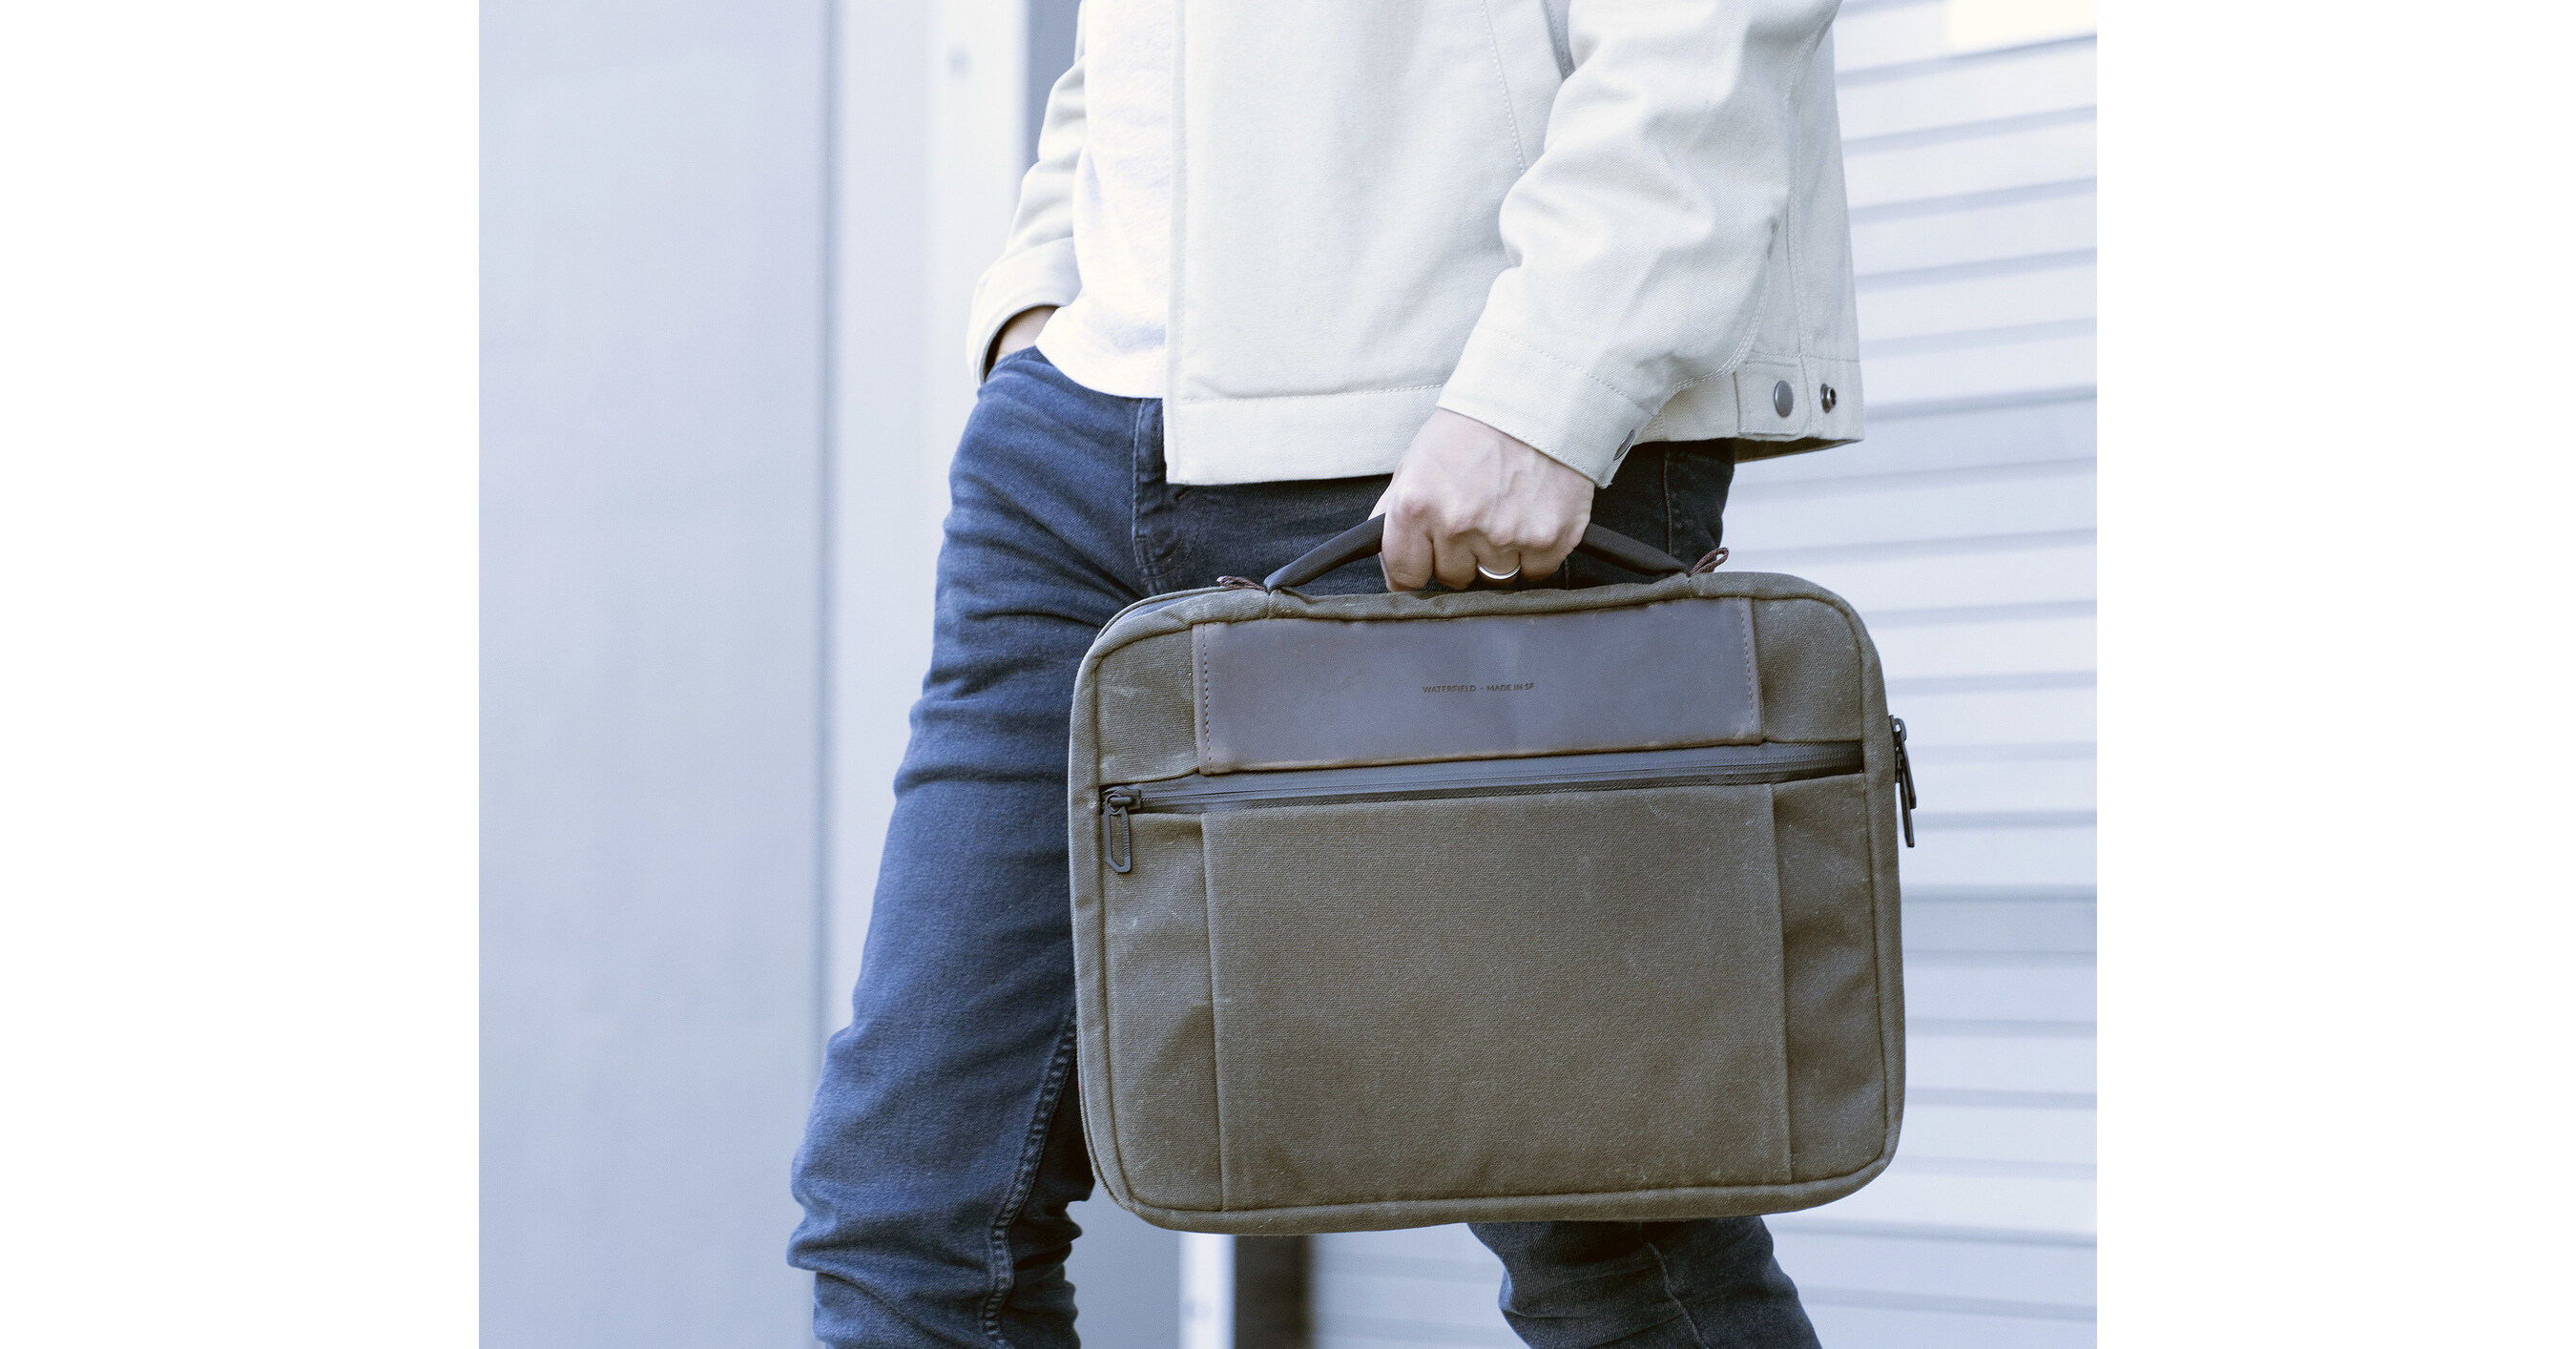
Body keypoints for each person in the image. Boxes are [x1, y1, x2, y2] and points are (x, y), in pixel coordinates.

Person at [790, 3, 1864, 1344]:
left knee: (1611, 1231)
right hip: (1076, 440)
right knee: (909, 1220)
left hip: (1442, 436)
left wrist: (1550, 379)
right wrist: (1038, 295)